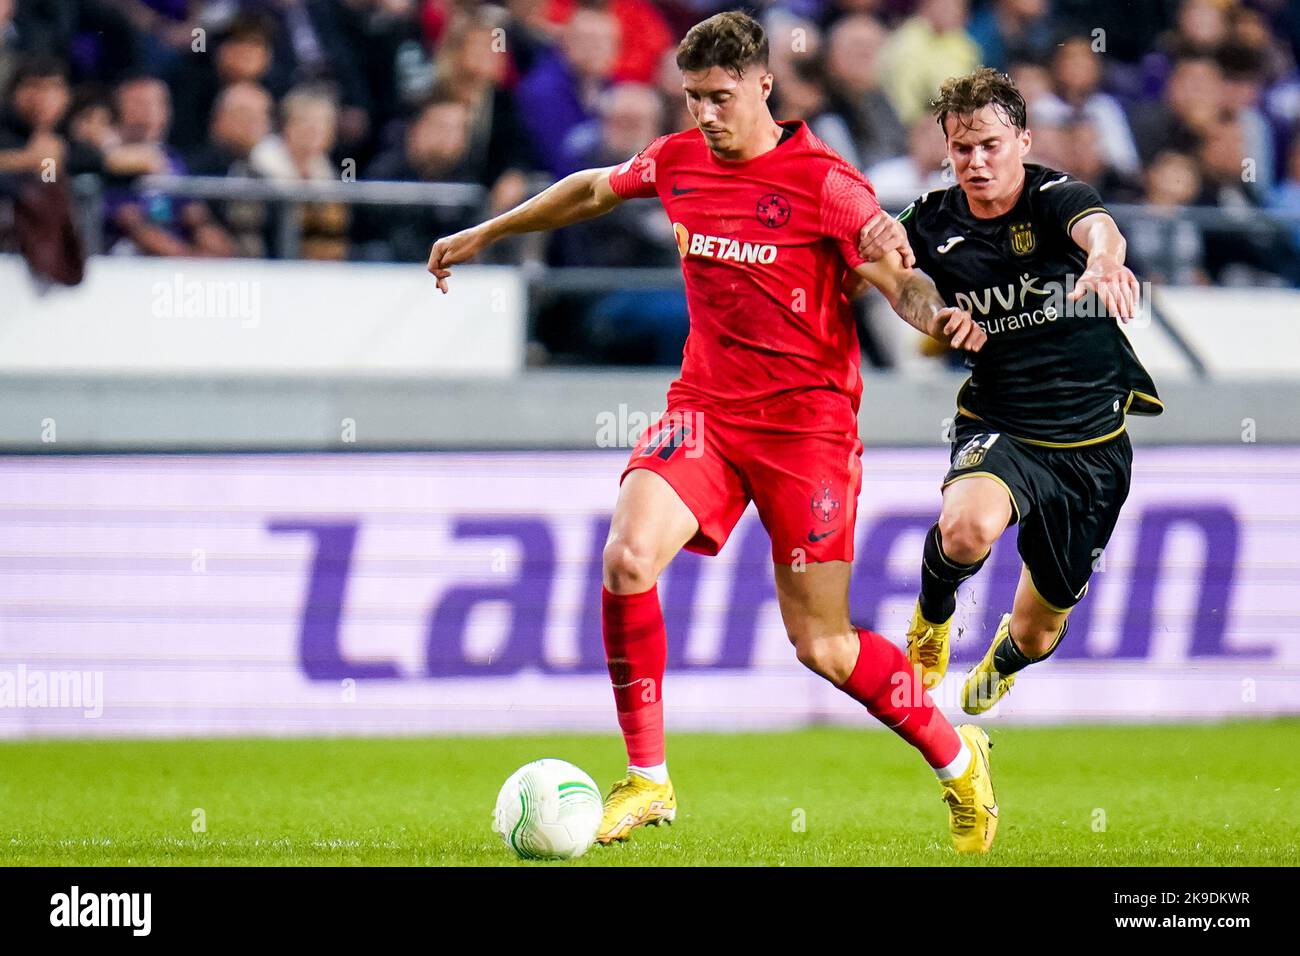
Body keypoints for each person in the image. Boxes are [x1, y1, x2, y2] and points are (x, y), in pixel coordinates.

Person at [429, 11, 1000, 855]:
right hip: (705, 409)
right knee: (627, 558)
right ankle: (649, 780)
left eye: (719, 97)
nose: (703, 114)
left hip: (806, 430)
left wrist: (935, 313)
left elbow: (897, 280)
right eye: (691, 97)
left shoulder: (826, 183)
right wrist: (488, 232)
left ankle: (959, 759)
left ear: (762, 85)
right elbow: (591, 188)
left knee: (825, 645)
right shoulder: (678, 160)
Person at [857, 67, 1162, 716]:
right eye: (962, 148)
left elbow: (1099, 229)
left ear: (1022, 140)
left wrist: (1106, 260)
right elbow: (893, 279)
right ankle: (932, 617)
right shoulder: (932, 222)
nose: (976, 161)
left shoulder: (1055, 197)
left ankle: (1005, 658)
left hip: (1093, 442)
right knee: (965, 531)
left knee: (1038, 628)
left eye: (990, 145)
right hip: (1002, 421)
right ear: (947, 150)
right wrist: (935, 317)